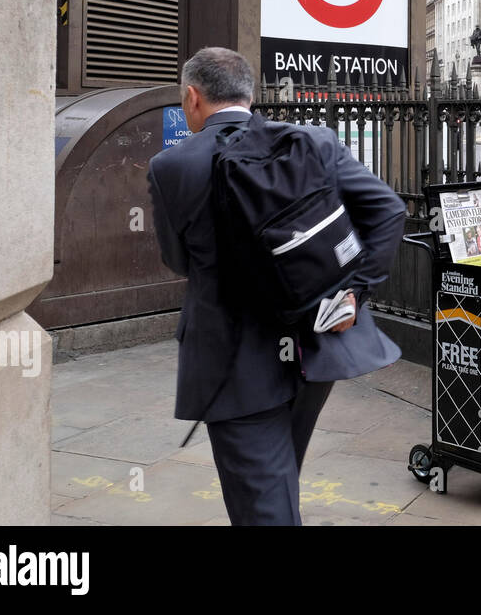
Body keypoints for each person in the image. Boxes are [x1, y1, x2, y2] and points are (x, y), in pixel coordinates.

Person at [147, 47, 407, 524]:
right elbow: (389, 211)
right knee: (279, 478)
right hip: (317, 347)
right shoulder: (313, 142)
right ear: (250, 94)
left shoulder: (171, 167)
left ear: (192, 98)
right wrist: (355, 292)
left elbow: (177, 260)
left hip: (233, 364)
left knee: (263, 507)